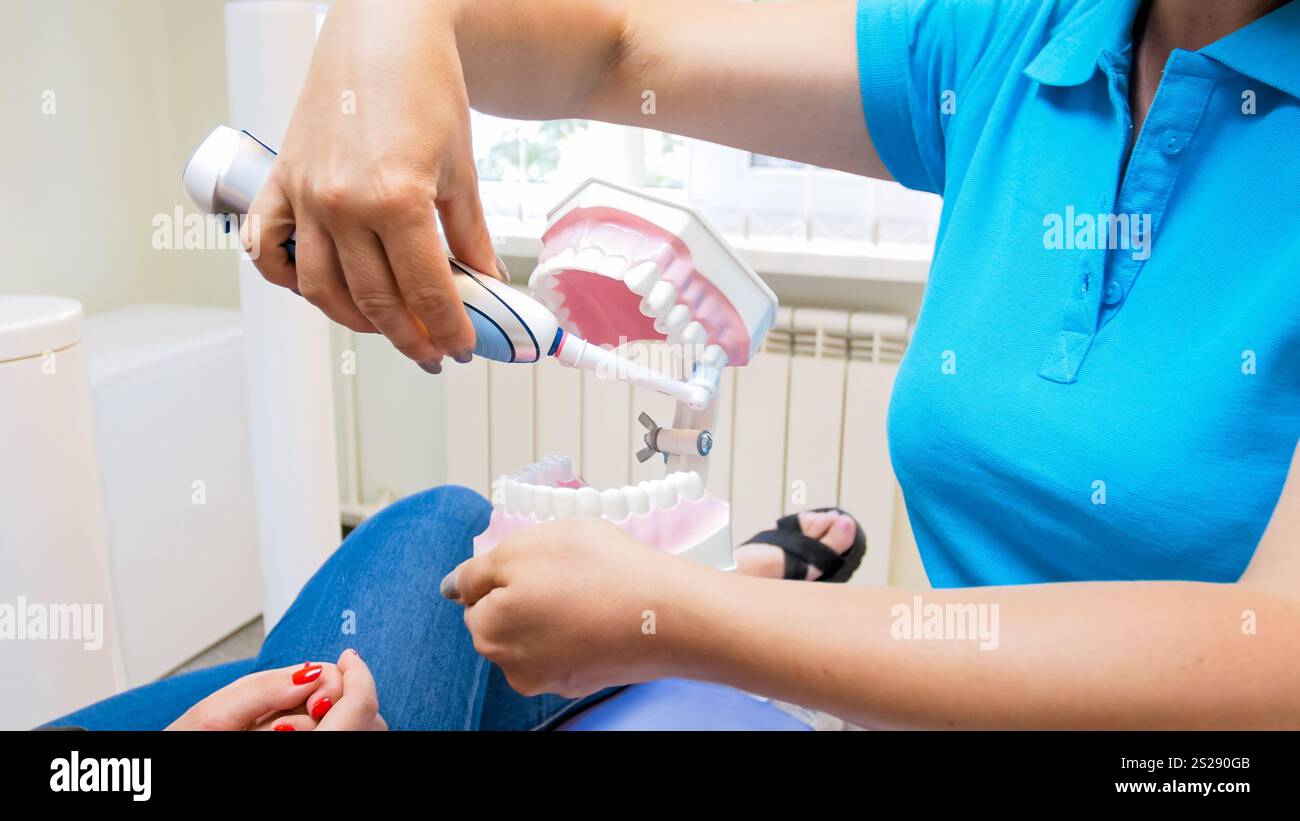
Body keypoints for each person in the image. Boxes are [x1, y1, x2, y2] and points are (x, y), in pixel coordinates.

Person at [58, 0, 1300, 729]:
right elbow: (613, 49)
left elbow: (1274, 656)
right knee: (449, 525)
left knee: (449, 540)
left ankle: (759, 559)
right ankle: (767, 552)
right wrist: (395, 19)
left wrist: (691, 614)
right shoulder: (1020, 41)